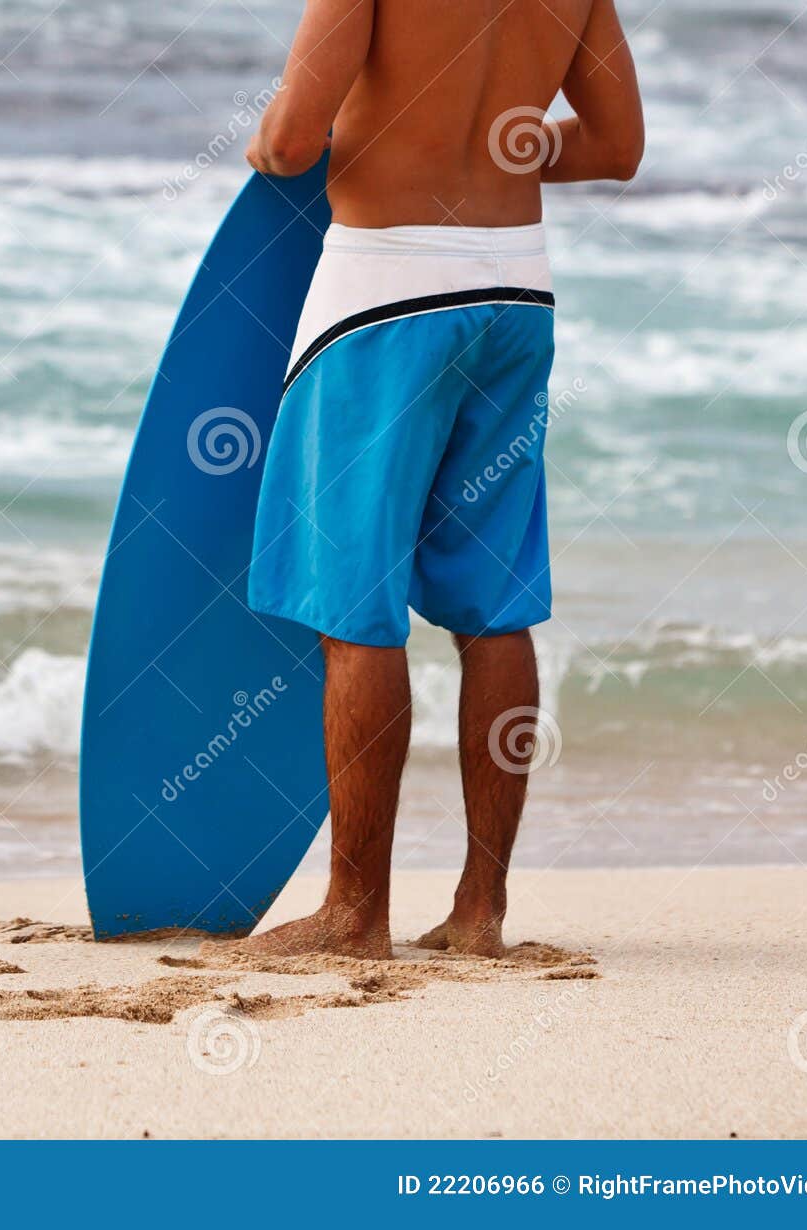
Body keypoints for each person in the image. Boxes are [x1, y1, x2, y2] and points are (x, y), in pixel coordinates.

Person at [230, 0, 643, 958]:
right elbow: (617, 148)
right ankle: (479, 912)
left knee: (354, 603)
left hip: (383, 296)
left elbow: (293, 143)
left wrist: (262, 148)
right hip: (514, 296)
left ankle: (352, 912)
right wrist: (504, 147)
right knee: (495, 608)